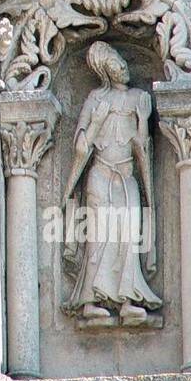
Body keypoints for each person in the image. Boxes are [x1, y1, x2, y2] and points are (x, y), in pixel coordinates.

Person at [62, 42, 161, 325]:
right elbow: (81, 148)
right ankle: (91, 300)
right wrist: (97, 120)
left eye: (121, 61)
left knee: (128, 237)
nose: (122, 67)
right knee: (99, 237)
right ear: (106, 72)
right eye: (115, 65)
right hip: (99, 175)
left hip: (126, 175)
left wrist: (142, 120)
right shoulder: (95, 98)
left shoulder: (140, 98)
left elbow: (143, 146)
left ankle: (128, 299)